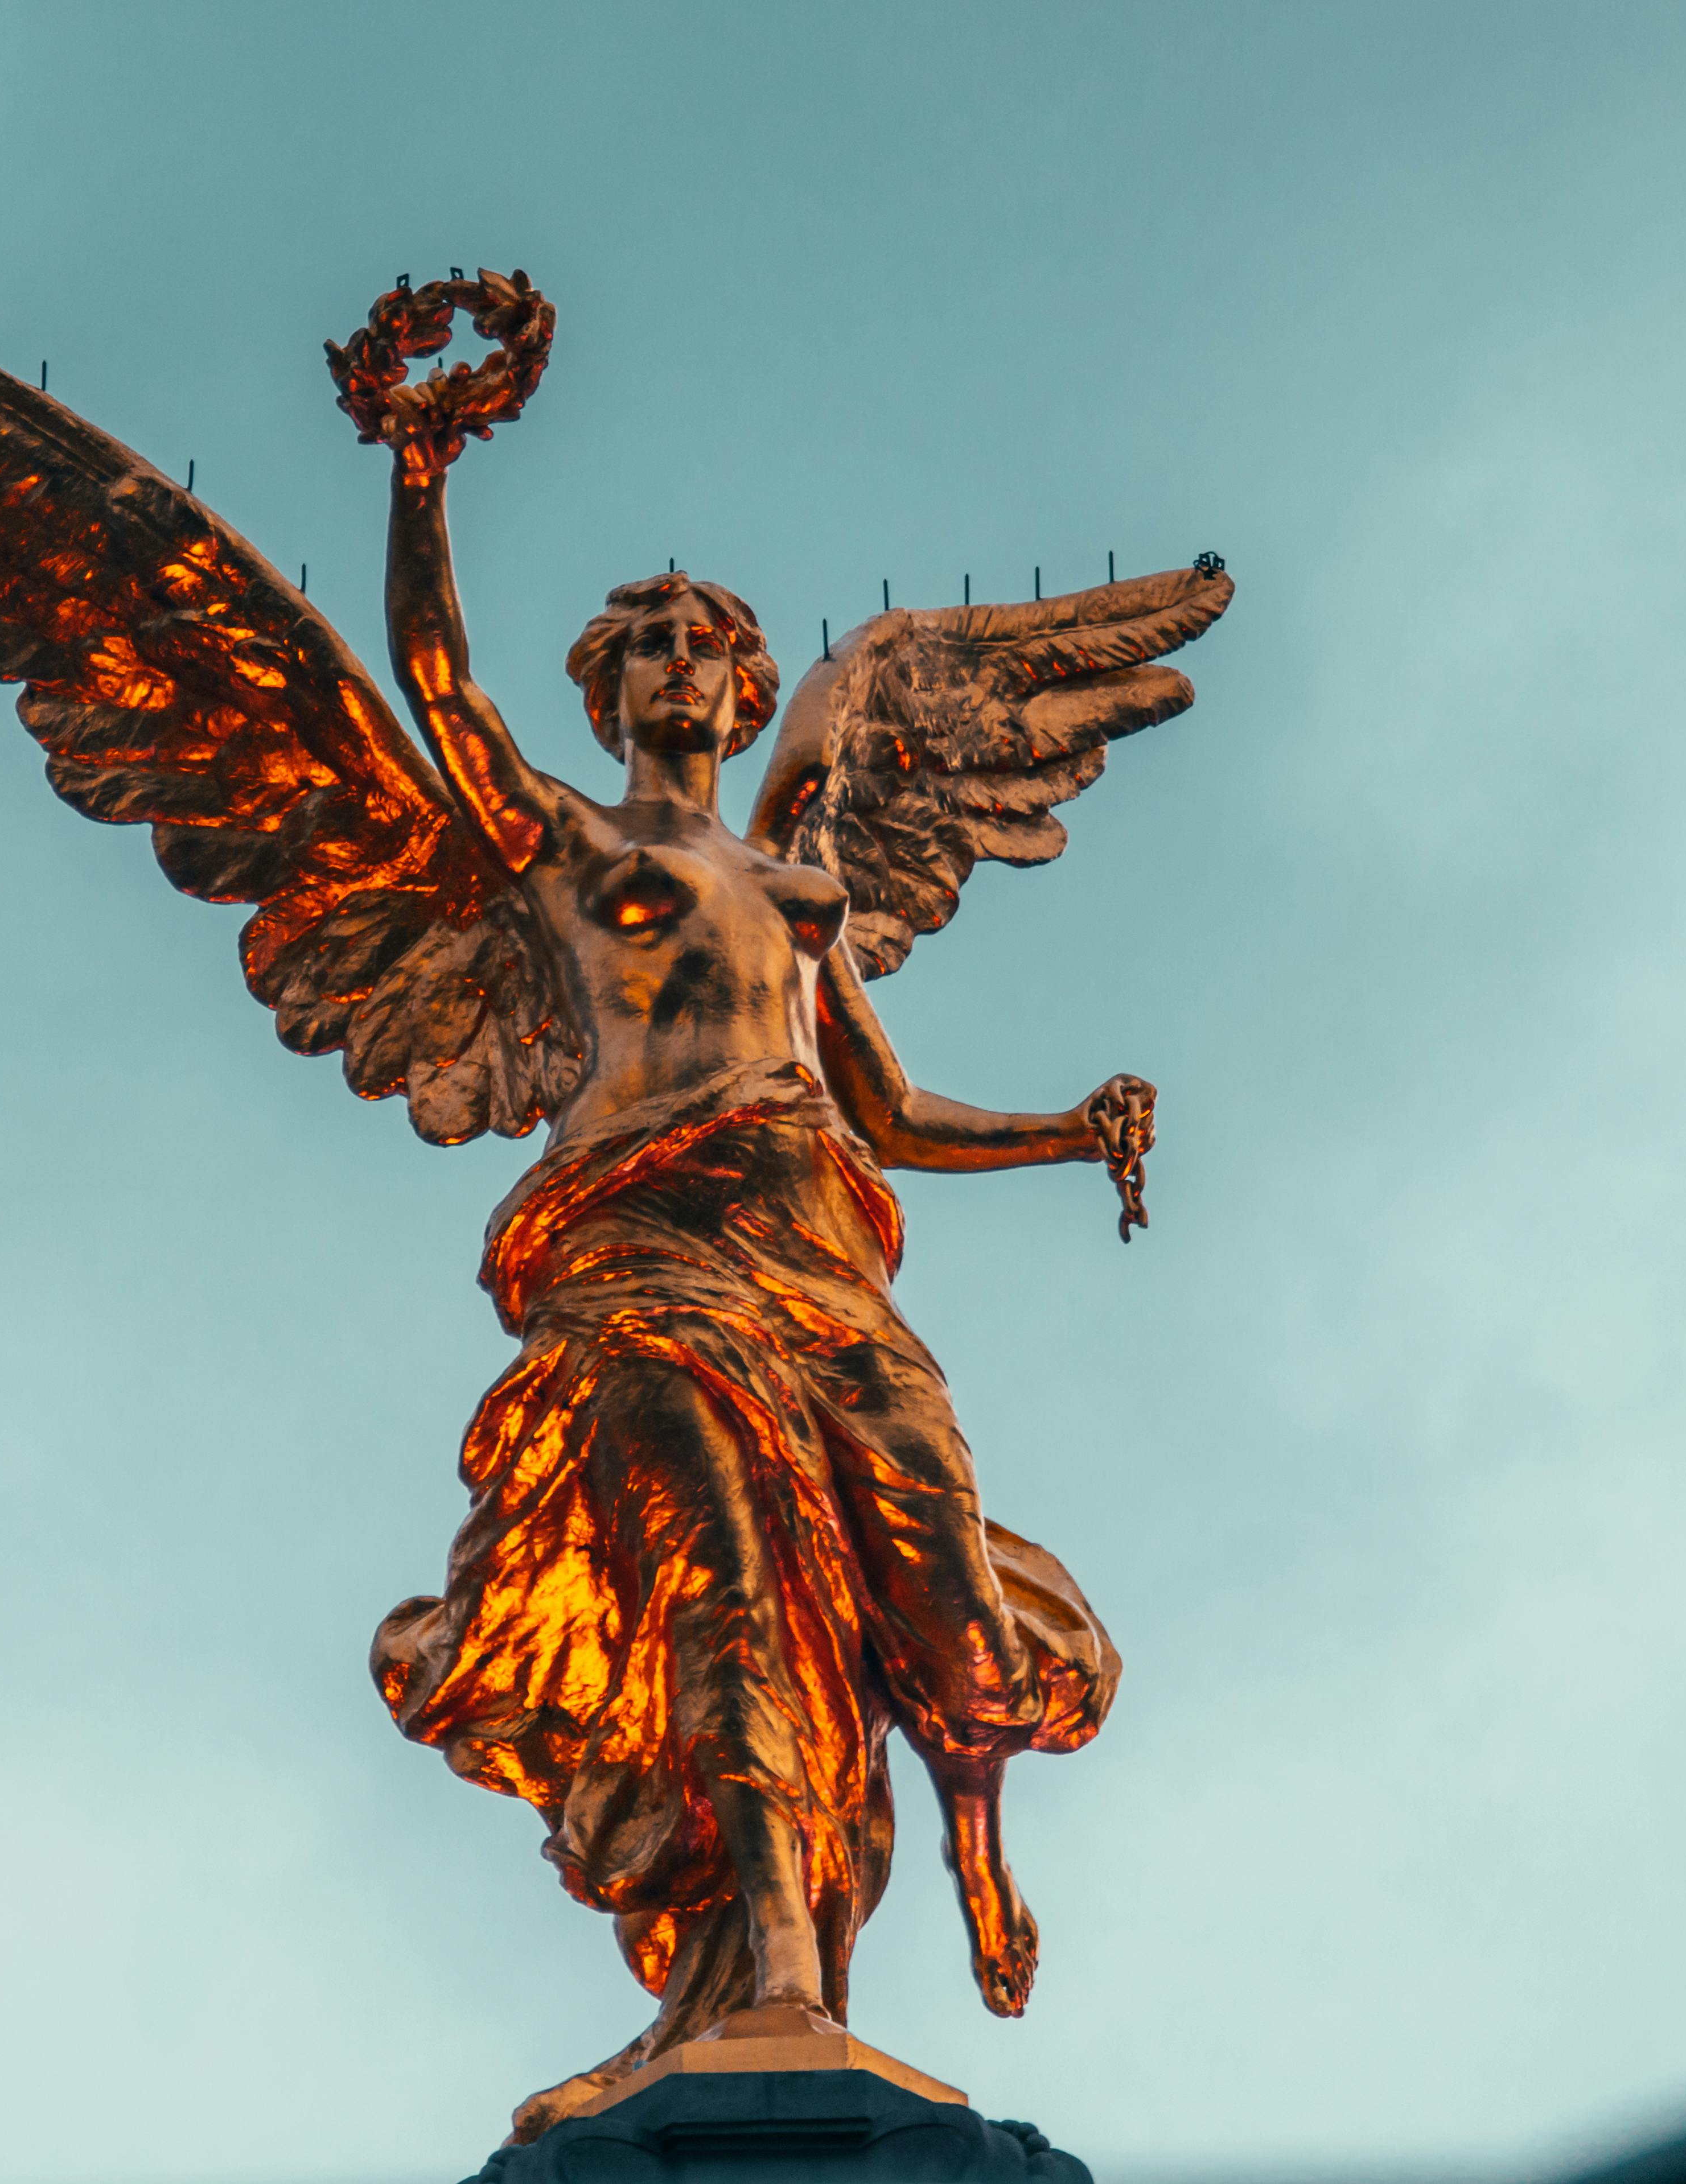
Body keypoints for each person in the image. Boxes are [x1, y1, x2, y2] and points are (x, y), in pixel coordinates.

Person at [367, 423, 1135, 2136]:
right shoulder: (572, 852)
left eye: (707, 649)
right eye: (647, 646)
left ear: (742, 690)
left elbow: (889, 1109)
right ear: (609, 691)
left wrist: (1070, 1131)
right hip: (639, 1254)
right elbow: (437, 687)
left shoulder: (798, 886)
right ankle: (774, 1955)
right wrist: (419, 468)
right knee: (722, 1578)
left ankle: (969, 1824)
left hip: (819, 1259)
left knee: (937, 1568)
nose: (680, 671)